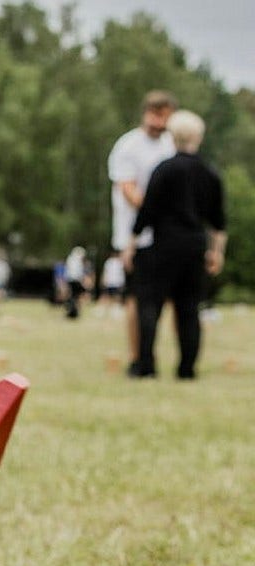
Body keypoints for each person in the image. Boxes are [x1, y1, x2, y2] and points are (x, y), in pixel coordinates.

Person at [124, 110, 226, 381]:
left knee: (149, 306)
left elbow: (146, 211)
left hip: (163, 246)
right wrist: (217, 252)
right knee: (189, 309)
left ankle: (146, 366)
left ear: (172, 136)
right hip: (195, 247)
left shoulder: (164, 169)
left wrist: (131, 244)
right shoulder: (209, 173)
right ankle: (187, 369)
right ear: (199, 137)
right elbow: (218, 221)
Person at [109, 90, 177, 368]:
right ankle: (137, 356)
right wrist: (157, 213)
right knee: (136, 299)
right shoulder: (128, 146)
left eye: (164, 118)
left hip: (167, 236)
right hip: (134, 237)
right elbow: (129, 190)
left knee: (167, 300)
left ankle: (166, 358)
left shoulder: (171, 145)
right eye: (155, 116)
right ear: (146, 114)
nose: (159, 123)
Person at [62, 245, 88, 319]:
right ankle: (74, 311)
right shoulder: (77, 261)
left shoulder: (70, 259)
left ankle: (72, 311)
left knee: (72, 296)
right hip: (75, 280)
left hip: (70, 280)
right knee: (76, 296)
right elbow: (78, 273)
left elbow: (67, 271)